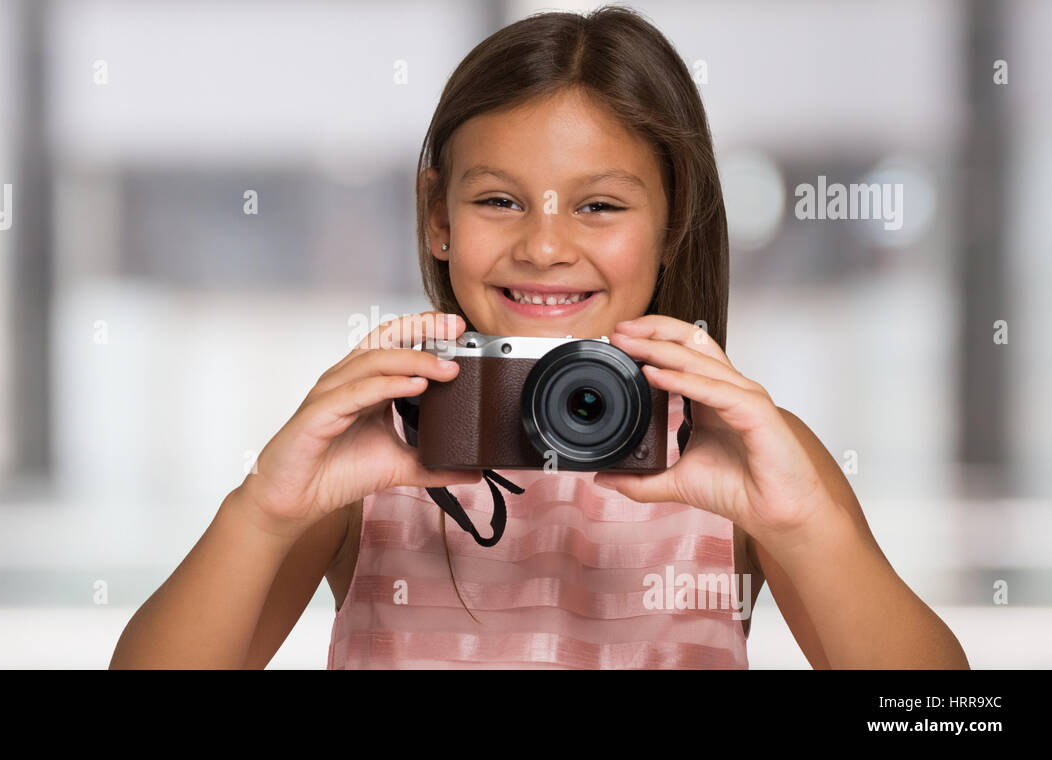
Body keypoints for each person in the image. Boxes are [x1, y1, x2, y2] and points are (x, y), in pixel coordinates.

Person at [109, 4, 969, 669]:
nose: (547, 246)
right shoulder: (375, 448)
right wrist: (265, 509)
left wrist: (805, 523)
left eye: (599, 206)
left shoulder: (733, 452)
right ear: (435, 217)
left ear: (673, 229)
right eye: (498, 200)